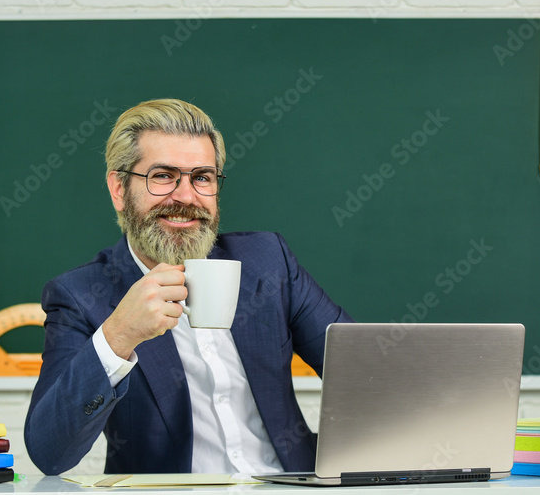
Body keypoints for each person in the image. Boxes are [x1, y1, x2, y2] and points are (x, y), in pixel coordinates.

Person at [24, 99, 353, 475]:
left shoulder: (269, 261)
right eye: (163, 176)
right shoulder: (80, 295)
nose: (185, 196)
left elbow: (364, 369)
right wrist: (118, 336)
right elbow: (49, 453)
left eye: (202, 177)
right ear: (119, 189)